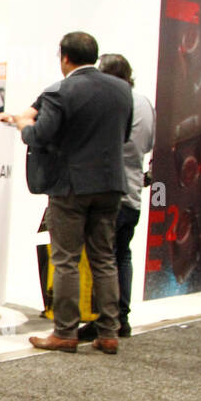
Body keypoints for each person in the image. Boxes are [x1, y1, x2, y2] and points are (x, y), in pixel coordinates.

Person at [0, 32, 131, 354]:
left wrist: (23, 125)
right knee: (104, 258)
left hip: (71, 186)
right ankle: (109, 333)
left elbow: (39, 136)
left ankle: (65, 332)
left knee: (66, 259)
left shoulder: (61, 91)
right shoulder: (122, 90)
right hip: (111, 185)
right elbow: (123, 136)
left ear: (64, 57)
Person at [77, 53, 153, 341]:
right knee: (122, 255)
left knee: (103, 258)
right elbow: (149, 144)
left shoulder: (114, 104)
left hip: (109, 188)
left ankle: (105, 321)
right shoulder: (145, 103)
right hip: (133, 191)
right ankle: (121, 318)